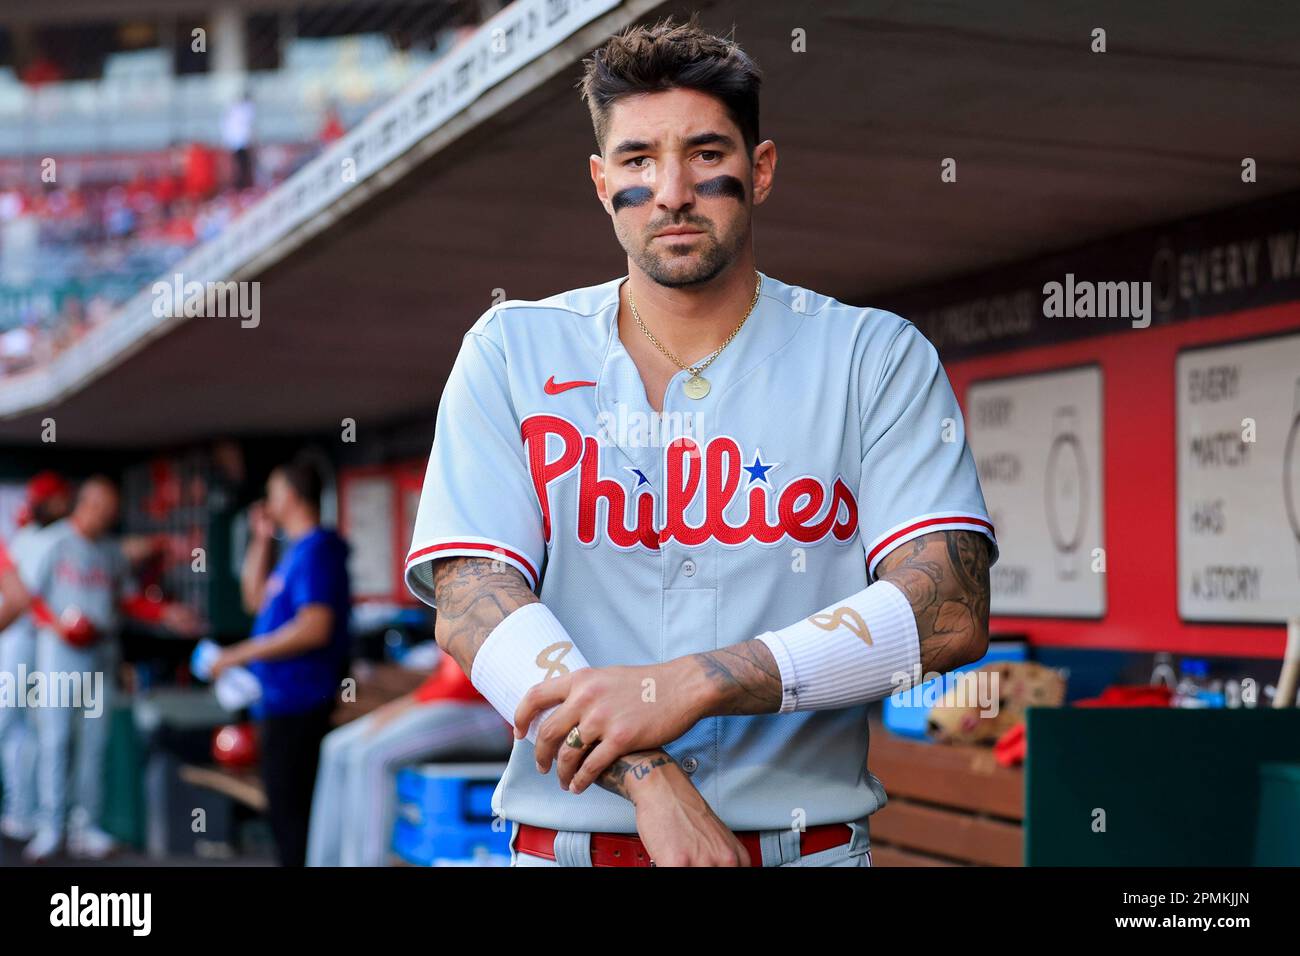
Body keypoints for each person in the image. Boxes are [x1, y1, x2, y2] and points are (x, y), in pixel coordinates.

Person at [403, 17, 997, 868]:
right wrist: (649, 777)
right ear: (602, 182)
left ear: (759, 170)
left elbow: (949, 606)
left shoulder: (873, 355)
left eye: (705, 154)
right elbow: (470, 600)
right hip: (570, 845)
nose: (672, 190)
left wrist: (690, 684)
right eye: (640, 160)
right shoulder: (512, 349)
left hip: (806, 846)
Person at [23, 476, 200, 861]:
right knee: (55, 741)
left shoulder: (109, 552)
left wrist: (165, 613)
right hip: (59, 654)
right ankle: (50, 826)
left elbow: (127, 601)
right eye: (100, 508)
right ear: (84, 503)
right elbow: (28, 598)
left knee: (94, 743)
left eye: (110, 511)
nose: (105, 516)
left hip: (101, 652)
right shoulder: (53, 542)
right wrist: (59, 625)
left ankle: (87, 826)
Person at [214, 459, 352, 867]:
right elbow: (254, 600)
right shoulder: (292, 551)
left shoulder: (319, 548)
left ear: (289, 497)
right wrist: (260, 539)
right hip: (278, 702)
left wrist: (238, 654)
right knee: (282, 813)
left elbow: (315, 627)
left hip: (302, 703)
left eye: (273, 493)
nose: (267, 503)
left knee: (294, 819)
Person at [305, 653, 511, 867]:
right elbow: (447, 676)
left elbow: (468, 683)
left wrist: (412, 704)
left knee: (372, 756)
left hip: (492, 709)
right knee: (335, 746)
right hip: (449, 698)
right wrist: (406, 704)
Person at [0, 473, 73, 842]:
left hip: (34, 641)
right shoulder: (27, 536)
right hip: (17, 640)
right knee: (13, 729)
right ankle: (20, 811)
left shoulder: (64, 537)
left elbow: (21, 597)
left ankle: (22, 813)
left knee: (22, 731)